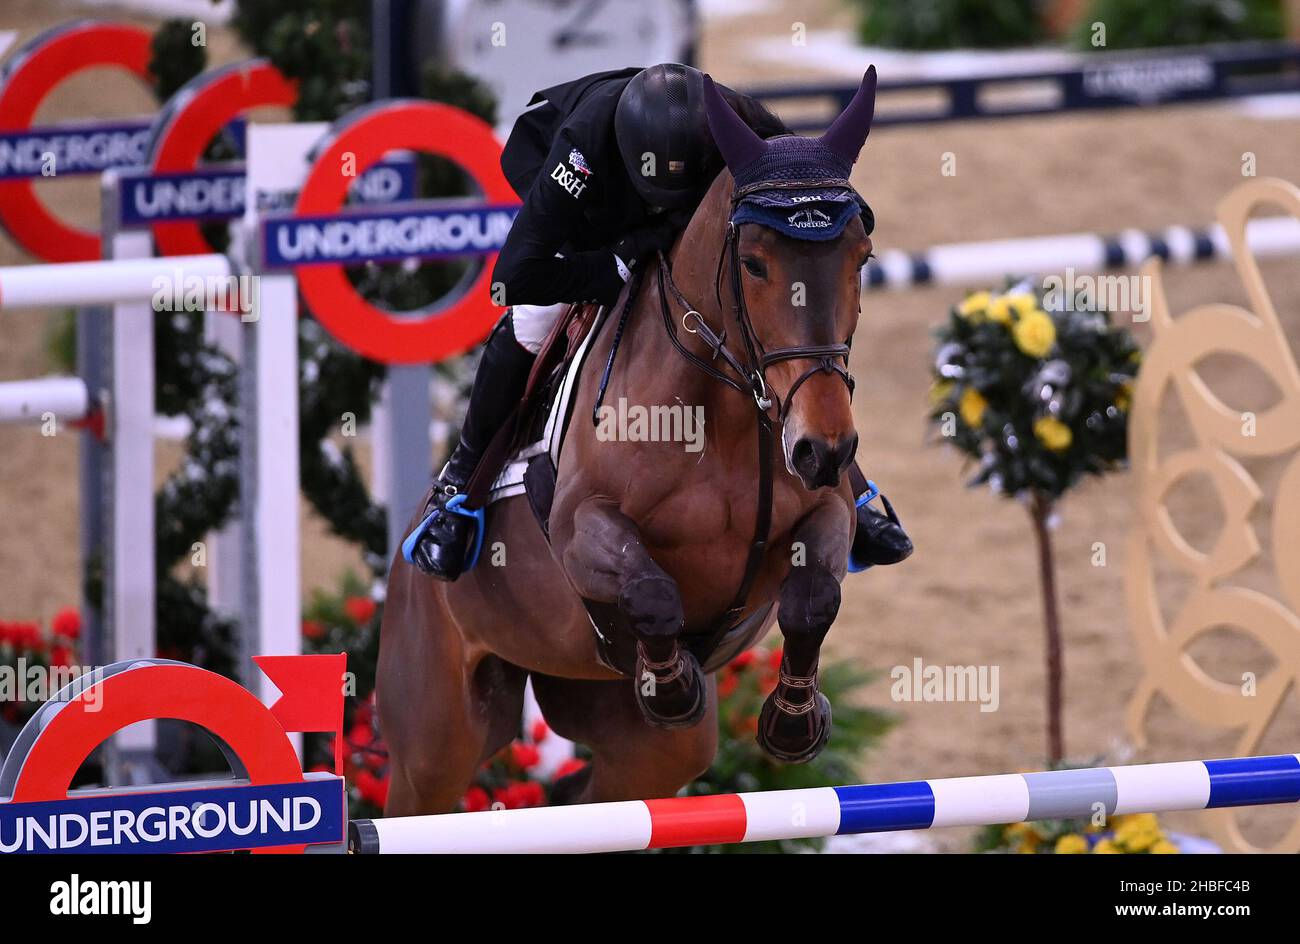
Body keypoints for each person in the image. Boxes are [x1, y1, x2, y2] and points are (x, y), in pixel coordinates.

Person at [407, 63, 911, 581]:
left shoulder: (735, 119)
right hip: (592, 203)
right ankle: (458, 489)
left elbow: (817, 181)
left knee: (771, 318)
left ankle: (852, 489)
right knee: (532, 323)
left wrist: (854, 223)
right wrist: (613, 266)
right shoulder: (581, 149)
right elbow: (511, 278)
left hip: (685, 209)